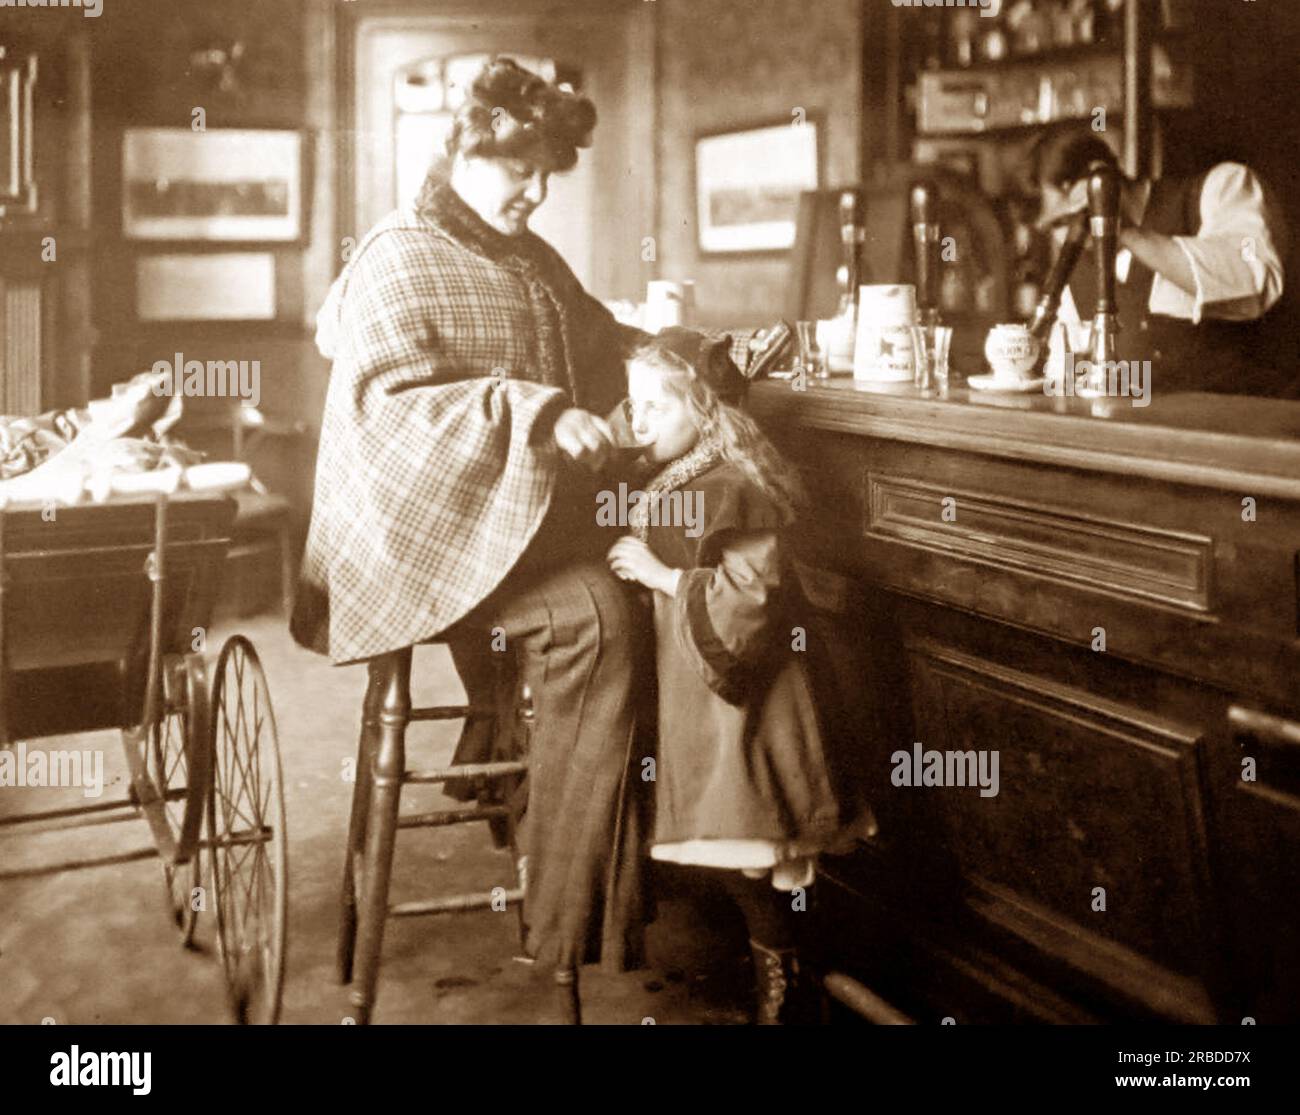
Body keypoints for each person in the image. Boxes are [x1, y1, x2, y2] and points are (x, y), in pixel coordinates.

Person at [292, 58, 653, 977]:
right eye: (519, 168)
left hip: (515, 527)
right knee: (599, 620)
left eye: (548, 171)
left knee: (658, 583)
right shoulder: (398, 254)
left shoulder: (529, 260)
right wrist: (534, 409)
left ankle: (548, 812)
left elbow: (602, 339)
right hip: (412, 539)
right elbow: (389, 412)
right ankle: (566, 915)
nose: (537, 190)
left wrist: (682, 358)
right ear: (462, 148)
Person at [605, 329, 877, 1024]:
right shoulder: (678, 467)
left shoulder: (731, 482)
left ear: (702, 409)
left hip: (748, 699)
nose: (638, 423)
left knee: (750, 842)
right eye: (631, 407)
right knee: (731, 844)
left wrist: (663, 576)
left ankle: (785, 981)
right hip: (697, 684)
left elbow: (751, 596)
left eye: (654, 408)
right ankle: (781, 967)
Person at [1033, 125, 1289, 395]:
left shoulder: (1223, 188)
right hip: (1142, 435)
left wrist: (1127, 231)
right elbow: (1063, 378)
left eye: (1063, 221)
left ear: (1099, 179)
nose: (1064, 240)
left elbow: (1256, 283)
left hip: (1249, 426)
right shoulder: (1075, 269)